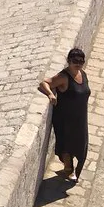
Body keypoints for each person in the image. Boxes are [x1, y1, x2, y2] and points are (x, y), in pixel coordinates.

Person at [38, 48, 90, 183]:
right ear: (68, 61)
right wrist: (50, 94)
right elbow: (44, 83)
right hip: (65, 118)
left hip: (80, 118)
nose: (78, 64)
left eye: (81, 61)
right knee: (67, 144)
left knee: (81, 144)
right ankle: (68, 170)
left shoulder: (82, 74)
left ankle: (73, 169)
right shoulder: (63, 77)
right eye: (74, 61)